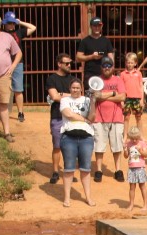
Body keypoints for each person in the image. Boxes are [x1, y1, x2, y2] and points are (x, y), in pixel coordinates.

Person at [0, 12, 35, 123]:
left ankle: (20, 112)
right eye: (9, 23)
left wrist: (20, 22)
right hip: (3, 64)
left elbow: (33, 27)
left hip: (17, 63)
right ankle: (2, 113)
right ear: (5, 24)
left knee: (18, 89)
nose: (11, 25)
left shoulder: (19, 32)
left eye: (12, 23)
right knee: (2, 89)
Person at [58, 79, 97, 207]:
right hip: (69, 136)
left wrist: (93, 101)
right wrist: (85, 119)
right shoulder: (65, 100)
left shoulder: (87, 100)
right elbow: (68, 114)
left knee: (85, 169)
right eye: (73, 87)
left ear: (81, 88)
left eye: (77, 87)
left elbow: (92, 118)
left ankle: (89, 197)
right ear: (70, 88)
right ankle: (67, 198)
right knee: (69, 169)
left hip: (86, 138)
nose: (75, 90)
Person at [93, 57, 127, 183]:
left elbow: (122, 96)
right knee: (99, 145)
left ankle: (118, 170)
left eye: (109, 66)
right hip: (99, 117)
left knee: (117, 144)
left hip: (116, 117)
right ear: (101, 67)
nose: (106, 68)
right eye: (104, 66)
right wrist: (113, 94)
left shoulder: (118, 80)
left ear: (113, 67)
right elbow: (96, 96)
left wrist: (104, 96)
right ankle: (98, 170)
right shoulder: (96, 81)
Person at [45, 53, 74, 184]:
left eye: (70, 63)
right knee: (57, 146)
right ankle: (56, 171)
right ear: (59, 64)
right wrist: (69, 95)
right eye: (67, 63)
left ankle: (69, 172)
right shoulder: (52, 79)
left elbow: (79, 95)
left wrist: (61, 94)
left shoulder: (73, 79)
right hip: (57, 116)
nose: (69, 65)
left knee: (70, 146)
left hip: (71, 117)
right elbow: (54, 97)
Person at [75, 17, 114, 84]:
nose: (97, 28)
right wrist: (92, 56)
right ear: (91, 26)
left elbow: (111, 57)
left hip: (104, 72)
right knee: (89, 94)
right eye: (95, 26)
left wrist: (112, 71)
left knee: (105, 93)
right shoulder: (85, 41)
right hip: (90, 73)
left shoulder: (106, 41)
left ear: (102, 26)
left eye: (99, 26)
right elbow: (78, 58)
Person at [123, 125, 147, 210]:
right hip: (131, 168)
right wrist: (125, 150)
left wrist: (140, 150)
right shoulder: (129, 144)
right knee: (132, 187)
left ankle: (145, 205)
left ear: (139, 137)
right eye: (132, 139)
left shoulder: (142, 143)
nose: (134, 140)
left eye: (136, 138)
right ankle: (131, 205)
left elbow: (146, 155)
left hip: (140, 168)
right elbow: (126, 156)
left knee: (142, 186)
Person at [120, 52, 145, 132]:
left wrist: (142, 99)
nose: (130, 64)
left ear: (135, 63)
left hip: (137, 98)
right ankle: (125, 136)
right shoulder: (122, 74)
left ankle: (140, 135)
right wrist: (121, 101)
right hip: (126, 98)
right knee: (126, 118)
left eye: (131, 63)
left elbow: (141, 87)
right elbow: (120, 88)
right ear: (126, 63)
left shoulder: (139, 73)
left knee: (138, 117)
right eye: (128, 62)